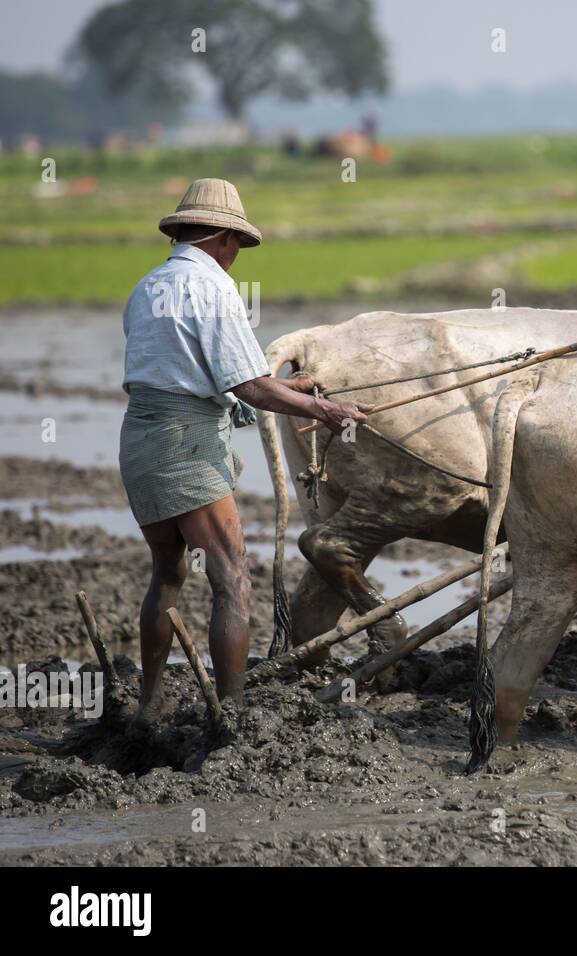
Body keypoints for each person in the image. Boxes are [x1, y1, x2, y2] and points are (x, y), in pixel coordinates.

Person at [119, 178, 365, 719]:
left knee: (168, 572)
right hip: (185, 441)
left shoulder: (148, 286)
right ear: (221, 238)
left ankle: (151, 701)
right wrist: (327, 411)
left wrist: (293, 389)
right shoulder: (213, 288)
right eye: (235, 245)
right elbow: (248, 386)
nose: (235, 257)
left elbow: (188, 371)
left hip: (140, 438)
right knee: (232, 577)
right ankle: (231, 713)